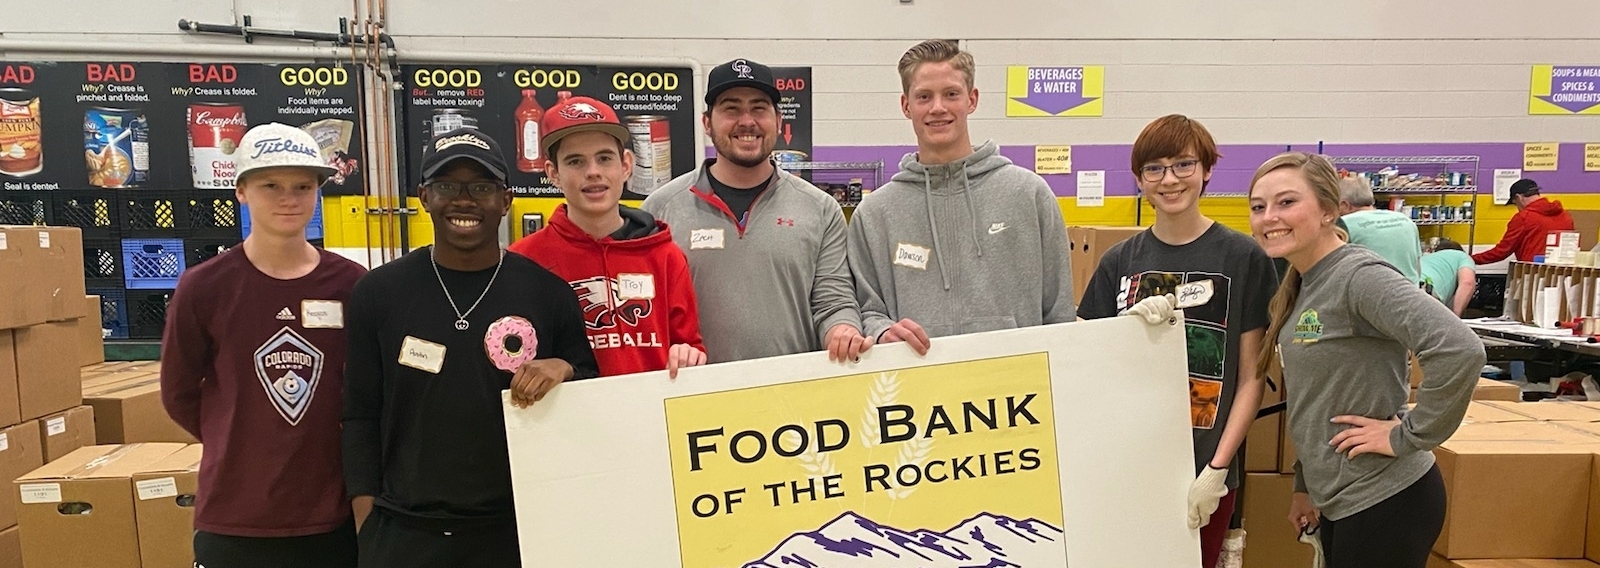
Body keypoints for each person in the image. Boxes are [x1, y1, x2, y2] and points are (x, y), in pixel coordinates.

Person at [342, 128, 600, 568]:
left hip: (517, 531)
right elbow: (359, 415)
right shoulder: (379, 292)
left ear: (505, 200)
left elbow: (590, 394)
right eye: (447, 186)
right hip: (405, 533)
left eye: (481, 187)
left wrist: (565, 369)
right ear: (424, 196)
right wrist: (368, 527)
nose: (464, 201)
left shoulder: (548, 293)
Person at [1247, 152, 1483, 568]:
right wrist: (1306, 484)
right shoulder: (1302, 283)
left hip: (1385, 498)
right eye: (1258, 207)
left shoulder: (1358, 276)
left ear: (1328, 210)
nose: (1269, 217)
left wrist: (1407, 436)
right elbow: (1317, 399)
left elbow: (1460, 348)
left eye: (1286, 202)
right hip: (1342, 499)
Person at [160, 122, 366, 568]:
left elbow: (368, 391)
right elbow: (178, 393)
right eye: (270, 184)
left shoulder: (350, 285)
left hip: (328, 516)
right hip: (234, 519)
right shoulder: (204, 287)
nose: (288, 198)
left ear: (318, 191)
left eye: (302, 185)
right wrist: (238, 439)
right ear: (242, 191)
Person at [1078, 114, 1274, 567]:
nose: (1169, 179)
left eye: (1183, 165)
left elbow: (1251, 378)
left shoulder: (1242, 257)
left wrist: (1218, 470)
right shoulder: (1119, 261)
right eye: (1155, 168)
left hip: (1206, 465)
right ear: (1139, 180)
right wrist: (1125, 329)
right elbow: (1086, 365)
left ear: (1206, 170)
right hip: (1131, 463)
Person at [847, 39, 1074, 356]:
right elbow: (867, 312)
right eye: (924, 96)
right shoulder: (875, 214)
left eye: (951, 94)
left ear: (972, 99)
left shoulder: (1029, 194)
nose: (937, 107)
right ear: (906, 105)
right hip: (920, 391)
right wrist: (882, 331)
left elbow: (1060, 312)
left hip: (1017, 390)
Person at [642, 58, 869, 364]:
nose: (746, 121)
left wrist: (843, 329)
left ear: (778, 121)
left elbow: (834, 300)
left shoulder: (820, 208)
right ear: (707, 123)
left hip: (792, 396)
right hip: (693, 399)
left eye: (759, 108)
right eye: (731, 108)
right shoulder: (660, 209)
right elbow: (650, 314)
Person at [508, 96, 707, 377]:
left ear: (626, 165)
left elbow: (689, 346)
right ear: (553, 173)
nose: (593, 172)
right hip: (565, 420)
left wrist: (687, 354)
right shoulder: (524, 261)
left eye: (604, 158)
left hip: (650, 416)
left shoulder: (665, 256)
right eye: (575, 161)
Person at [1339, 176, 1423, 286]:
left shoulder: (1344, 223)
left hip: (1371, 295)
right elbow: (1417, 267)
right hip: (1411, 294)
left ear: (1345, 204)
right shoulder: (1405, 220)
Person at [1473, 178, 1574, 265]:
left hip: (1533, 276)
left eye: (1515, 204)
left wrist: (1469, 259)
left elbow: (1502, 252)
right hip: (1563, 275)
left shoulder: (1523, 218)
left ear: (1518, 198)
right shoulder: (1565, 215)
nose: (1517, 208)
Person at [1421, 239, 1476, 316]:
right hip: (1425, 293)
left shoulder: (1425, 257)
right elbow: (1467, 283)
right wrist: (1455, 318)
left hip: (1405, 288)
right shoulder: (1462, 256)